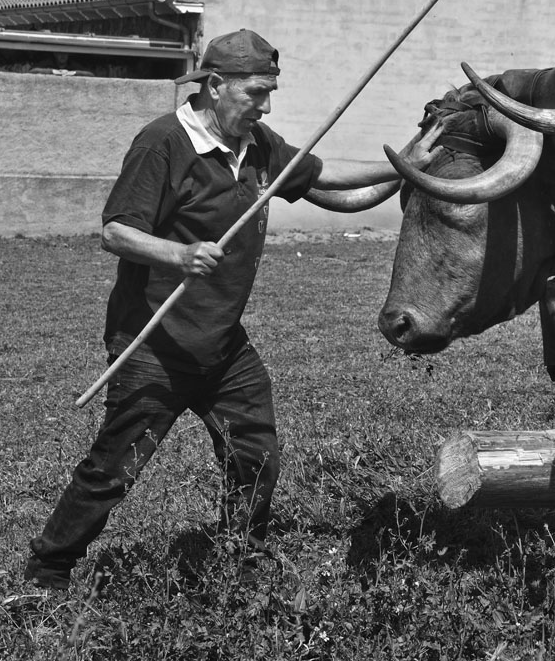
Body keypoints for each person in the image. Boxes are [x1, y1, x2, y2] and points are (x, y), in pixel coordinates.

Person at [24, 29, 441, 591]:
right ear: (215, 86)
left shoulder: (259, 145)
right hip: (156, 346)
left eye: (270, 91)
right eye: (255, 92)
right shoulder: (163, 144)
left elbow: (334, 184)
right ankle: (47, 569)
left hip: (221, 345)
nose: (265, 105)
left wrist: (405, 163)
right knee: (114, 469)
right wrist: (180, 252)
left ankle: (239, 554)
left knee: (254, 452)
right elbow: (116, 231)